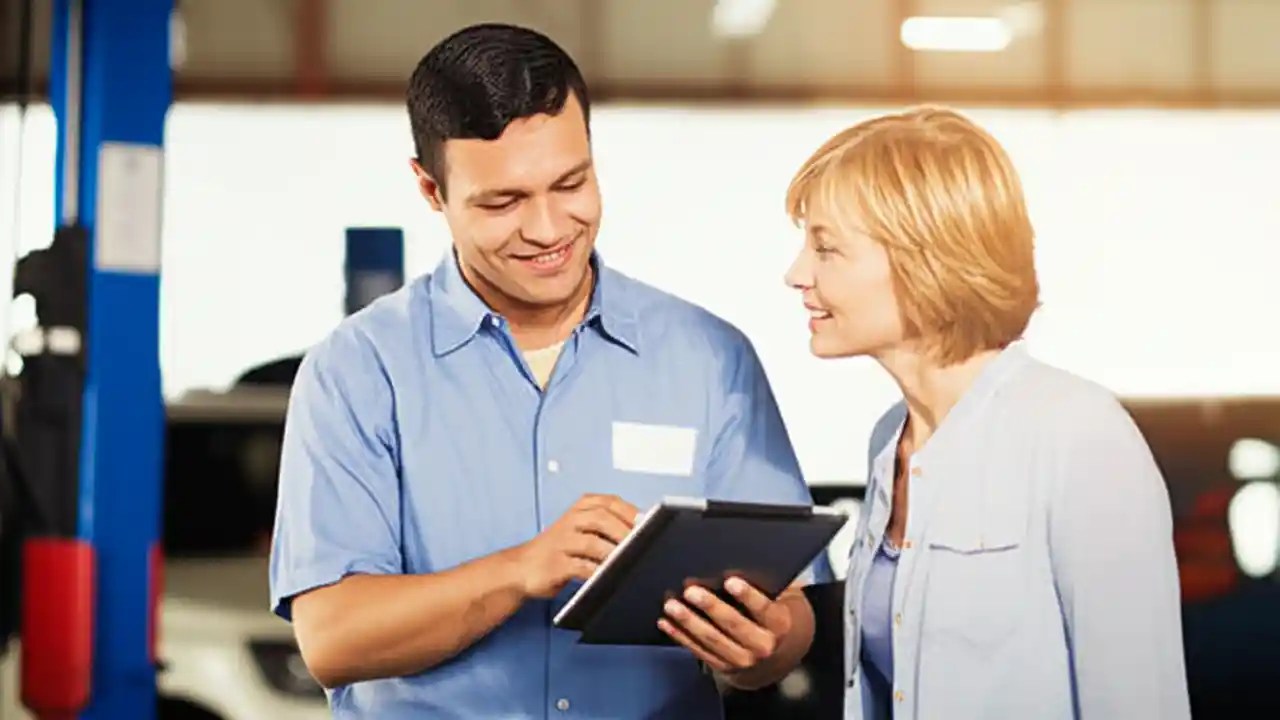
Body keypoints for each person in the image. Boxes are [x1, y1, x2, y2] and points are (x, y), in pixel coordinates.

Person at [268, 22, 831, 719]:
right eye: (503, 202)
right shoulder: (357, 371)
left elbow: (791, 612)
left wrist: (765, 644)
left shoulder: (709, 357)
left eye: (571, 183)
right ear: (429, 188)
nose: (547, 229)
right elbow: (333, 638)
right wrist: (519, 571)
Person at [780, 106, 1191, 719]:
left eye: (826, 249)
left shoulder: (1078, 436)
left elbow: (1141, 705)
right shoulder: (888, 440)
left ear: (925, 261)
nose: (796, 275)